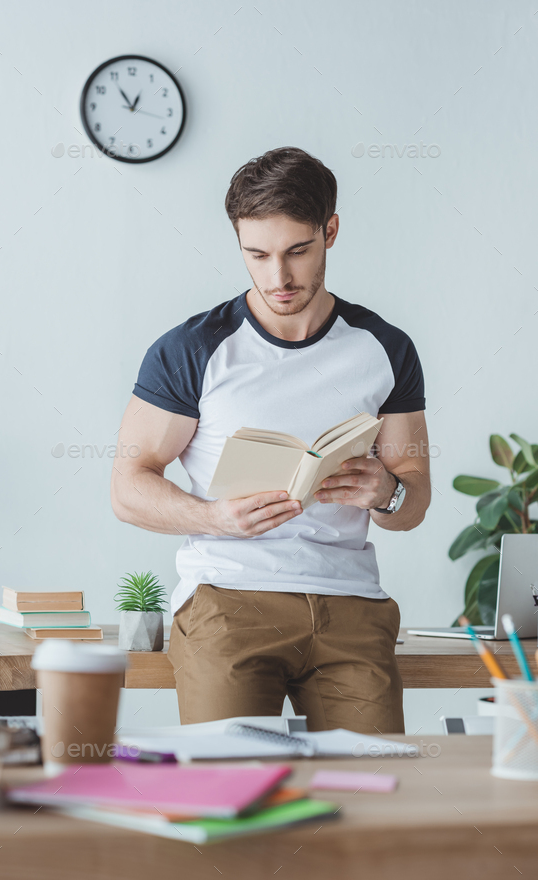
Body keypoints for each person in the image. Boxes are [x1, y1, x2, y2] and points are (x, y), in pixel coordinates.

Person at [111, 146, 431, 733]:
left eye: (297, 251)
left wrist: (384, 491)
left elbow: (413, 505)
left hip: (352, 607)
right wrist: (215, 518)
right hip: (228, 600)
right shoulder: (193, 349)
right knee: (233, 797)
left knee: (373, 794)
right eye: (256, 254)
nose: (277, 277)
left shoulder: (384, 348)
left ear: (329, 231)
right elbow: (129, 489)